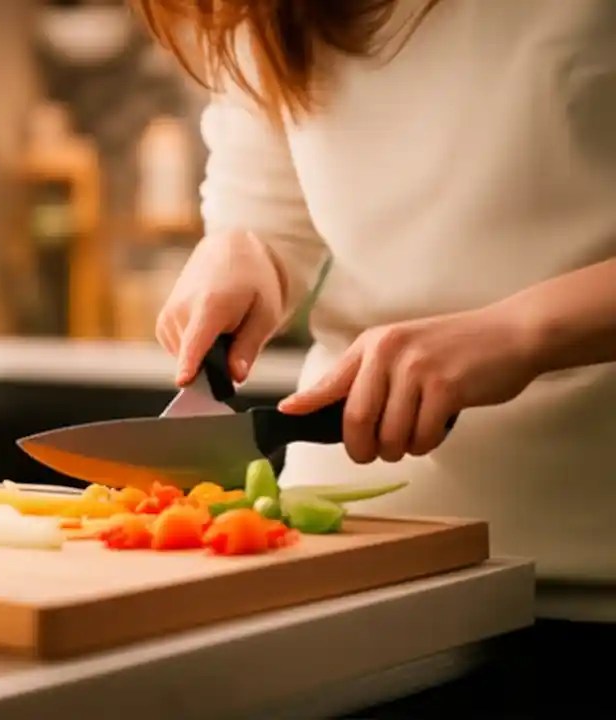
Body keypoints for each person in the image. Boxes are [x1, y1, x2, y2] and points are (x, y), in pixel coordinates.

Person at [135, 0, 616, 715]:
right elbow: (264, 202)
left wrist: (522, 330)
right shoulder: (257, 9)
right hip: (351, 592)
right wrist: (242, 250)